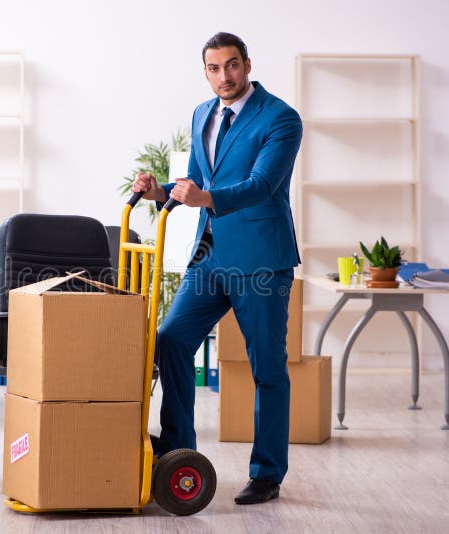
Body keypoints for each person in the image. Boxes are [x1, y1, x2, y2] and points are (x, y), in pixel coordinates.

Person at [132, 32, 302, 505]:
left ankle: (267, 473)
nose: (223, 76)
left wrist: (205, 198)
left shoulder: (281, 118)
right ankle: (178, 452)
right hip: (209, 257)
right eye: (213, 68)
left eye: (231, 66)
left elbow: (263, 184)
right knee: (171, 339)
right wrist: (159, 191)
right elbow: (197, 181)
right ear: (204, 71)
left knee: (266, 367)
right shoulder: (202, 114)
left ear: (247, 64)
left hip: (261, 260)